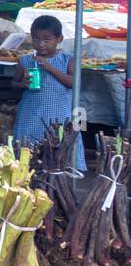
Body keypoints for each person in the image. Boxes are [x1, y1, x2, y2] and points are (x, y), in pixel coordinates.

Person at [13, 15, 85, 170]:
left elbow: (75, 83)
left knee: (59, 150)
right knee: (29, 152)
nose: (41, 44)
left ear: (59, 39)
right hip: (31, 114)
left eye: (47, 40)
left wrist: (49, 67)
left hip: (59, 114)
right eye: (36, 39)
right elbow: (14, 83)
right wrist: (23, 83)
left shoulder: (68, 59)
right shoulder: (25, 60)